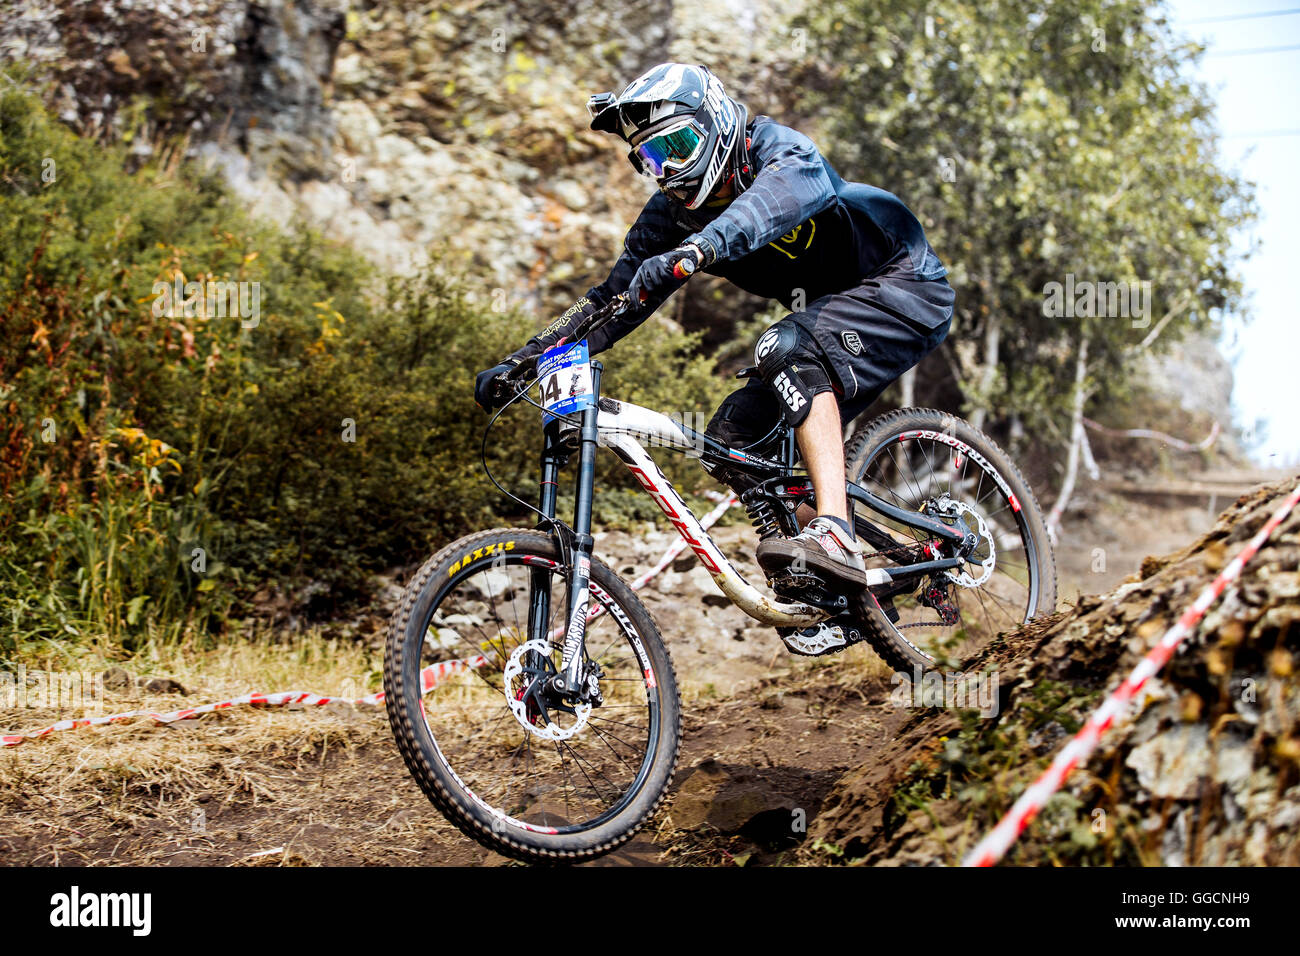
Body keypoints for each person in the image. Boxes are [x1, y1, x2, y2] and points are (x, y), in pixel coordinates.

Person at [475, 62, 954, 591]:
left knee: (786, 347)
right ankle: (831, 587)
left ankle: (834, 533)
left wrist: (697, 250)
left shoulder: (776, 150)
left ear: (717, 120)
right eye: (651, 159)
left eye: (678, 145)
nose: (669, 170)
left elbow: (781, 198)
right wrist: (530, 357)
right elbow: (611, 300)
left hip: (905, 284)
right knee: (733, 439)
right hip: (832, 312)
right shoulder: (670, 216)